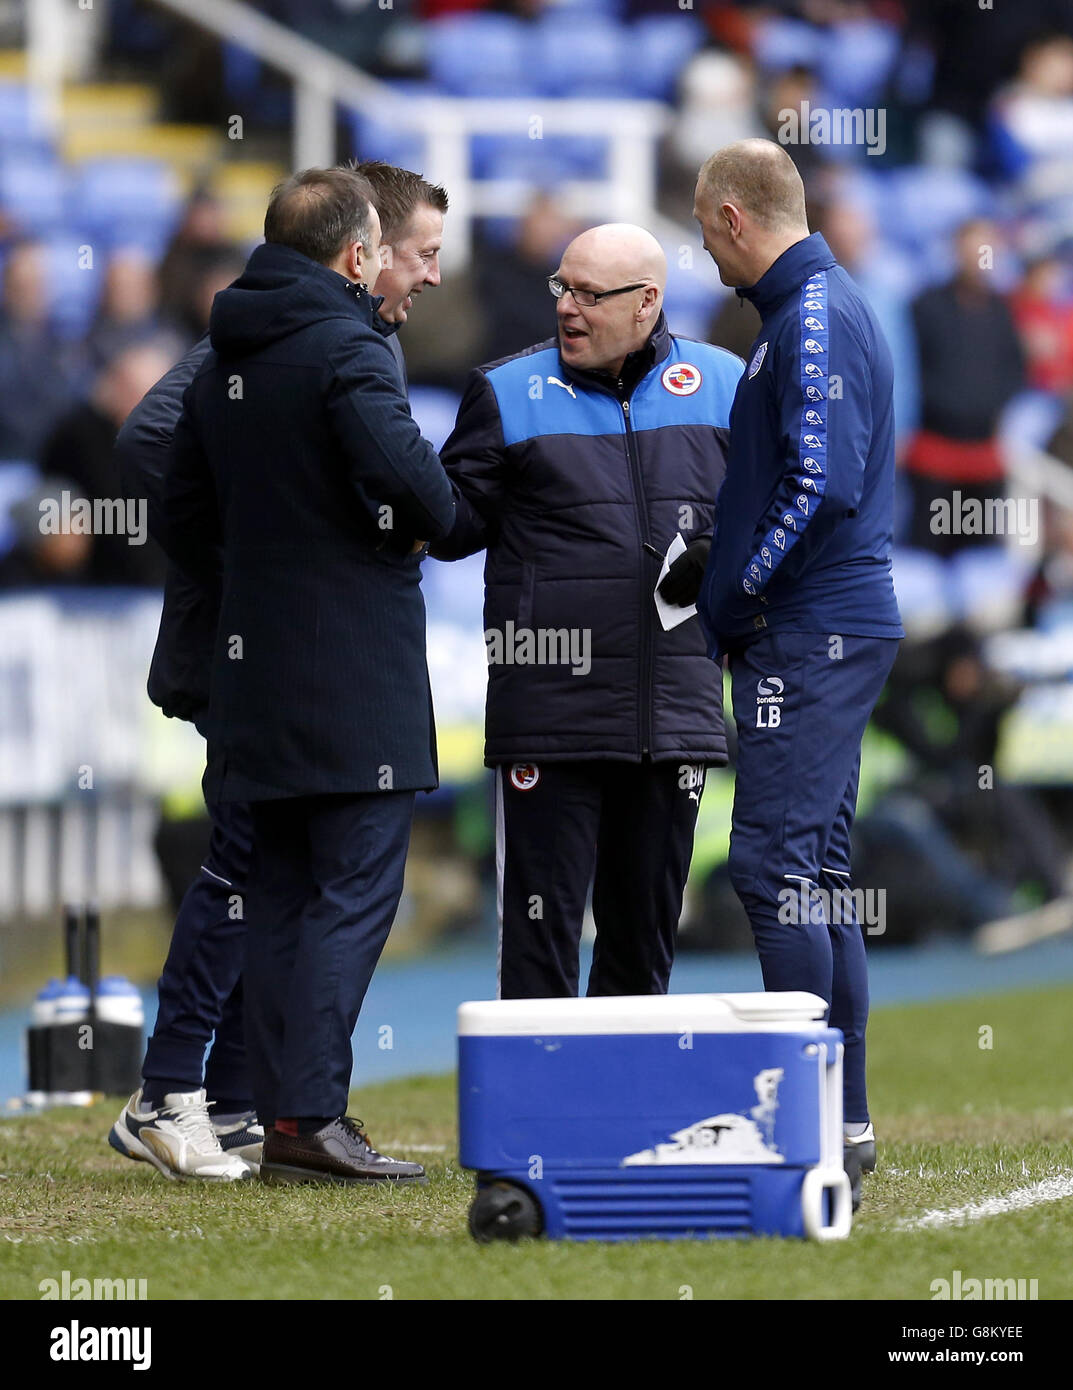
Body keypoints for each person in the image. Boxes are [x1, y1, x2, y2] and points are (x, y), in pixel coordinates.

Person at [108, 163, 452, 1181]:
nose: (431, 275)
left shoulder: (317, 336)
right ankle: (170, 1090)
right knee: (251, 867)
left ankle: (236, 1095)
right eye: (422, 253)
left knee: (274, 869)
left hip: (276, 636)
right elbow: (150, 437)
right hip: (263, 643)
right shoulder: (286, 339)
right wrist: (252, 565)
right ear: (368, 248)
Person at [431, 223, 742, 998]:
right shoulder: (505, 391)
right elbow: (446, 530)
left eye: (588, 295)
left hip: (674, 712)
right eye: (560, 288)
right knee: (538, 948)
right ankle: (534, 1118)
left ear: (646, 303)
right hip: (549, 712)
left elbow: (777, 511)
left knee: (641, 948)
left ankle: (623, 1115)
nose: (567, 308)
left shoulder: (725, 381)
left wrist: (722, 552)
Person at [684, 139, 904, 1209]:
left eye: (702, 231)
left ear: (730, 217)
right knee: (812, 871)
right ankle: (844, 1123)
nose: (706, 254)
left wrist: (735, 596)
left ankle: (807, 1128)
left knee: (773, 871)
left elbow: (819, 483)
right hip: (827, 624)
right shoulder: (809, 309)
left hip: (807, 629)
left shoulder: (808, 312)